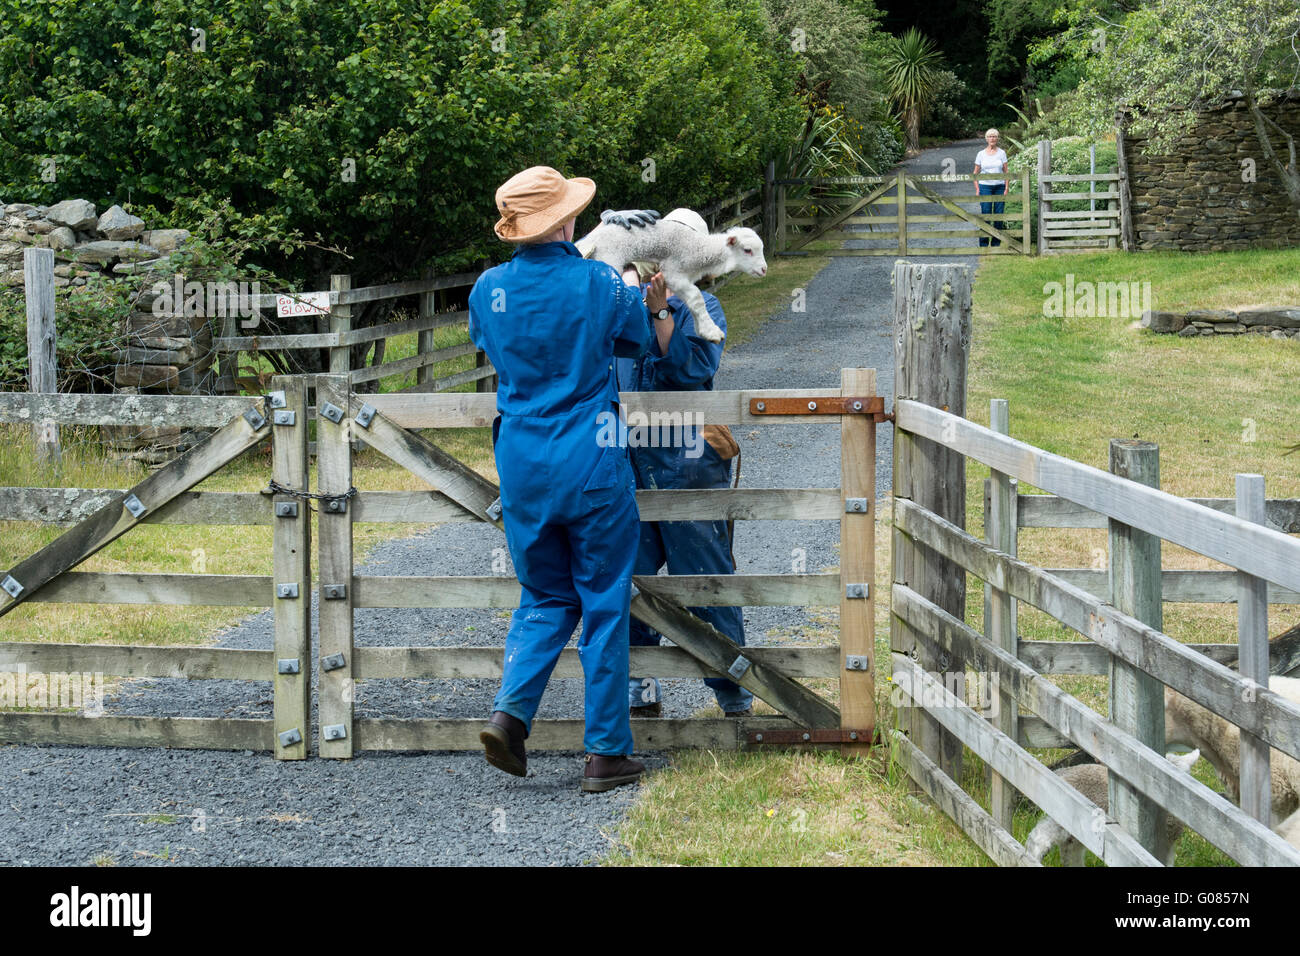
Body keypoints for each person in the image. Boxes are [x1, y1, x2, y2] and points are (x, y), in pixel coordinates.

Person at [467, 166, 670, 793]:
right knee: (604, 601)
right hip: (590, 454)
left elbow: (495, 349)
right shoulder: (600, 282)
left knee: (546, 595)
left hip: (522, 458)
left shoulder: (487, 289)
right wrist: (651, 304)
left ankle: (510, 714)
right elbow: (639, 345)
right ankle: (606, 751)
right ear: (564, 221)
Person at [616, 208, 754, 720]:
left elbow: (693, 371)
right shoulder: (625, 305)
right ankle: (640, 686)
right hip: (629, 460)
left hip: (687, 458)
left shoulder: (707, 307)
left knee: (704, 576)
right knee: (632, 576)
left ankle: (733, 689)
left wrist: (660, 314)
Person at [972, 128, 1009, 247]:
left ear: (997, 138)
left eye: (994, 136)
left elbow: (1006, 172)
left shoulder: (1002, 153)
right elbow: (975, 173)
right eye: (990, 136)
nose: (992, 138)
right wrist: (977, 188)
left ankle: (995, 244)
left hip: (999, 186)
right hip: (985, 187)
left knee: (998, 215)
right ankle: (983, 244)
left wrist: (1006, 188)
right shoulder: (981, 154)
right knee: (986, 214)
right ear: (986, 139)